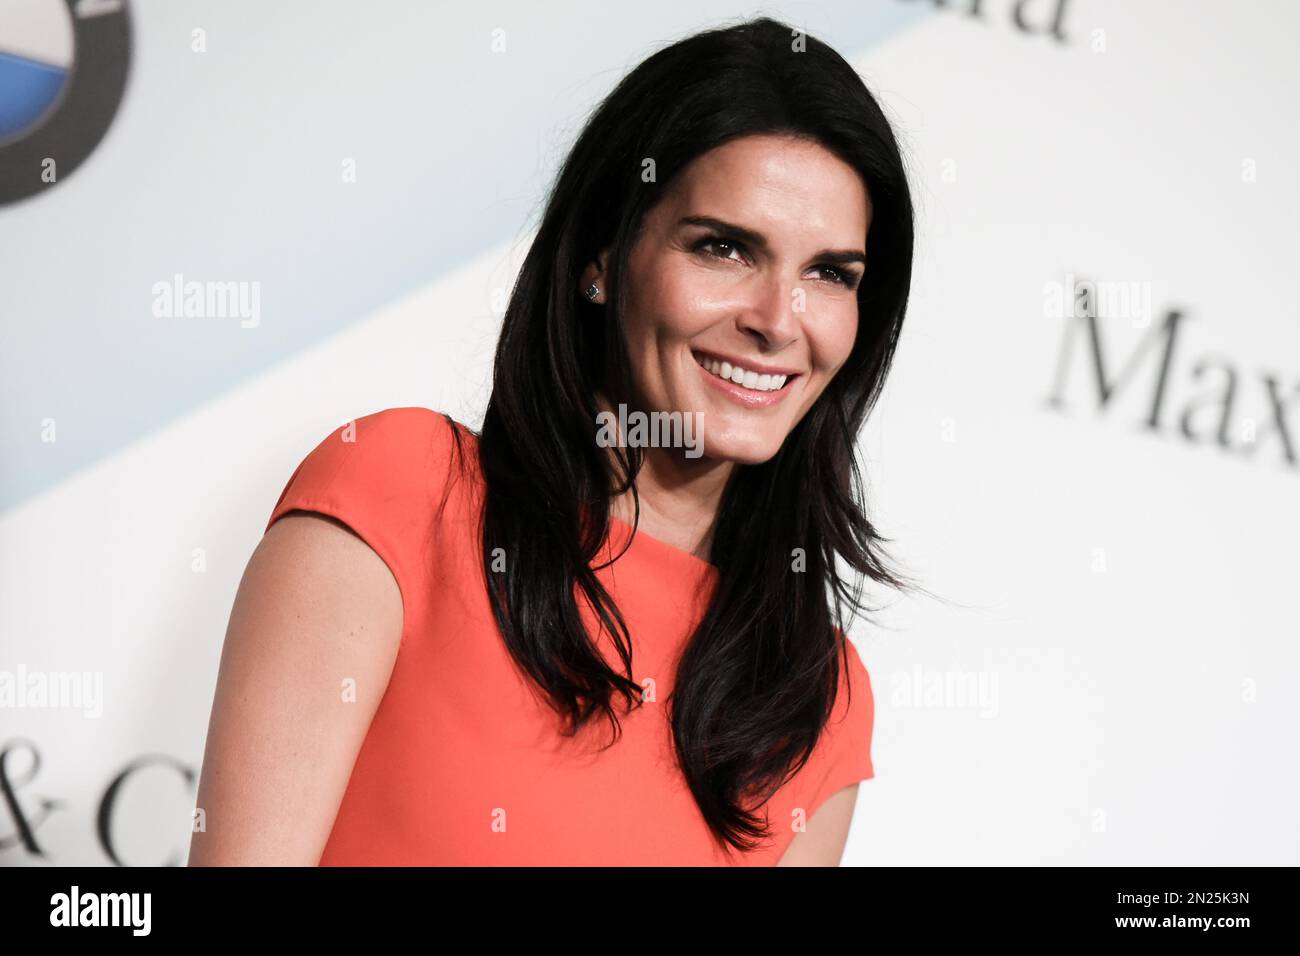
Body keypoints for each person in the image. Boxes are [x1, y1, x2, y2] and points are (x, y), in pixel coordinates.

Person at [188, 15, 921, 867]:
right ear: (600, 258)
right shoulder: (400, 493)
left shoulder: (815, 690)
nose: (775, 322)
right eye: (724, 248)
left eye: (830, 273)